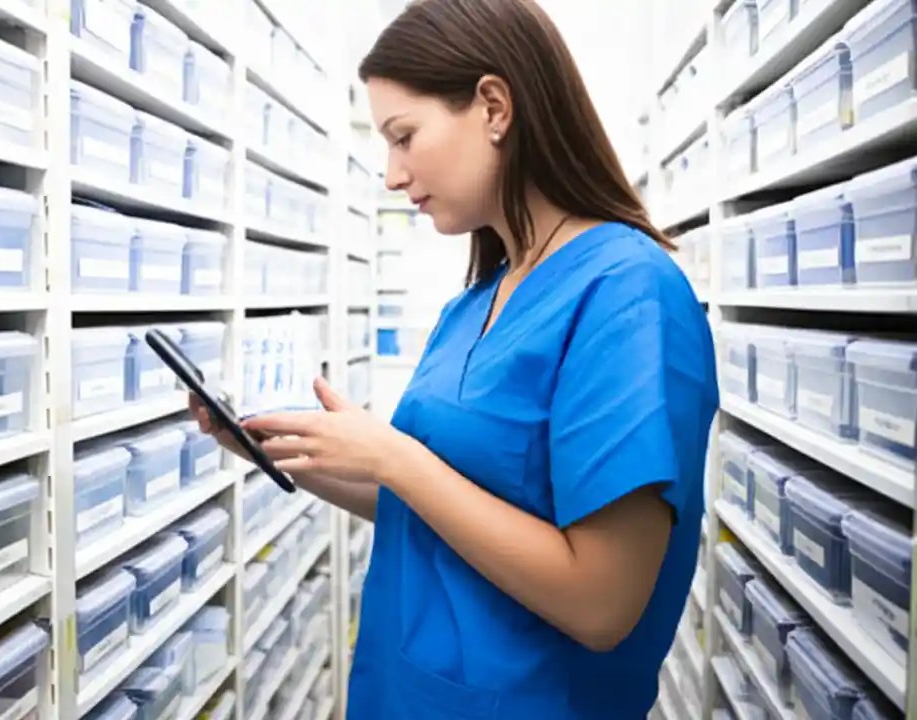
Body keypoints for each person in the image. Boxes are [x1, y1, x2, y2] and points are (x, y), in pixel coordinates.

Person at [191, 0, 718, 716]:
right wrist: (286, 447)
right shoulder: (479, 300)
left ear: (494, 107)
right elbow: (436, 507)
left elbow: (602, 603)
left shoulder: (630, 294)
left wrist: (392, 457)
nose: (391, 174)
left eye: (403, 136)